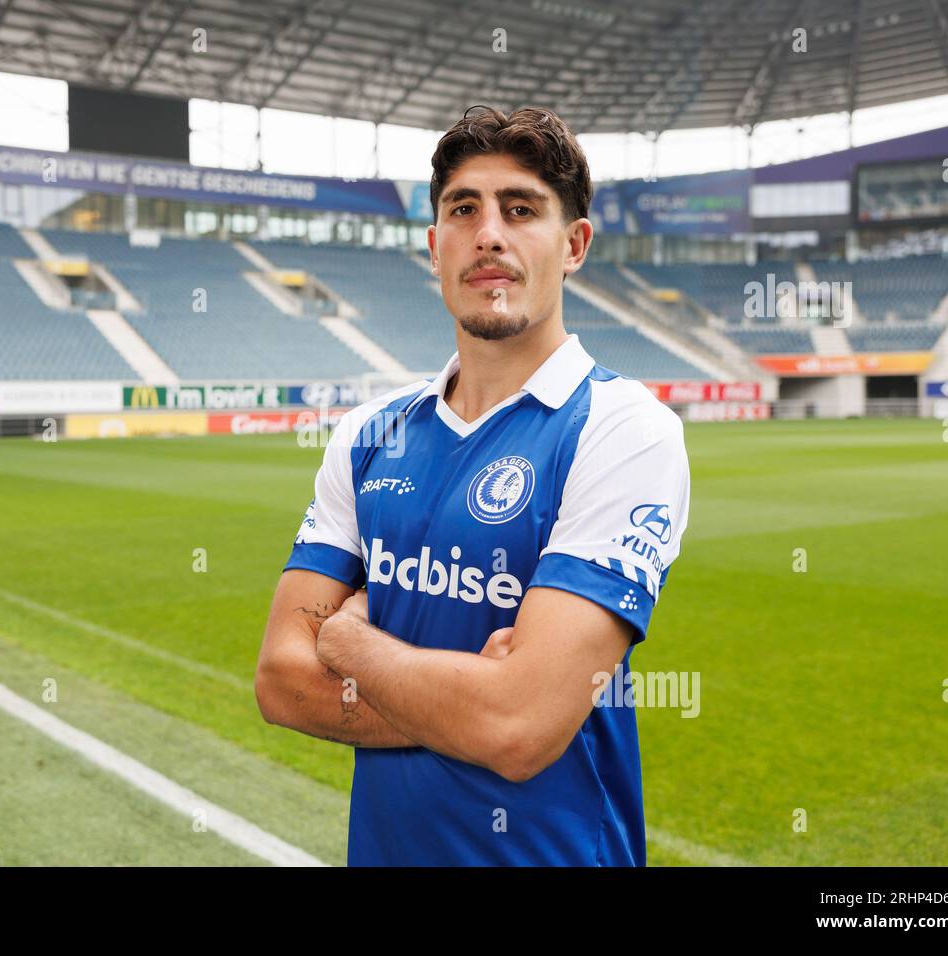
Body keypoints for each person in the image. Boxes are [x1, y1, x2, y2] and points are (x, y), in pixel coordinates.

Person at [255, 105, 690, 866]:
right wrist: (473, 703)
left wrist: (352, 643)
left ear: (575, 243)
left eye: (521, 209)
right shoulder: (370, 435)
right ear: (434, 247)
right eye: (464, 209)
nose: (489, 232)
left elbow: (519, 729)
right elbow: (282, 684)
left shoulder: (622, 429)